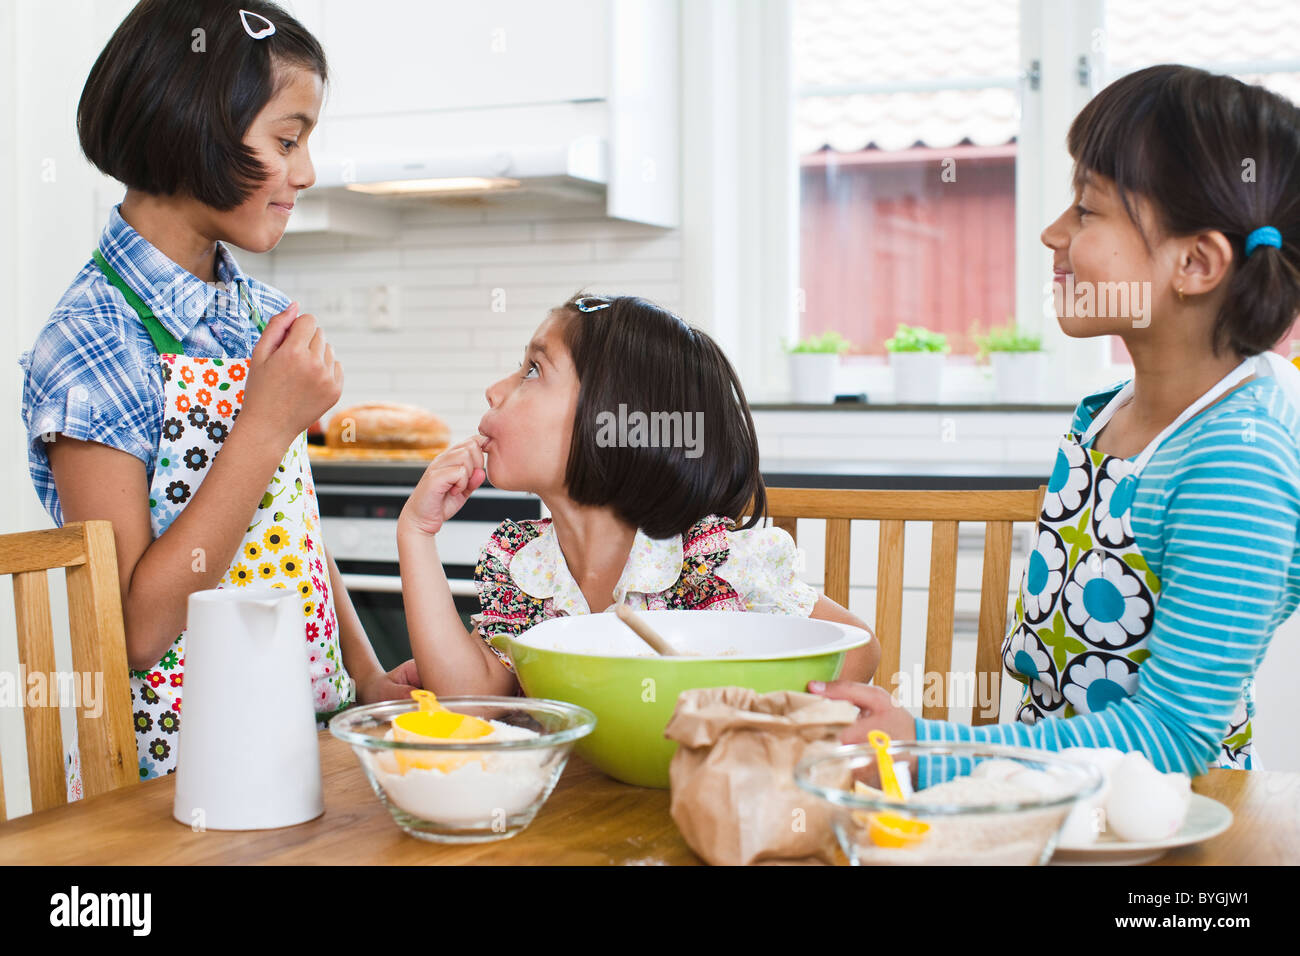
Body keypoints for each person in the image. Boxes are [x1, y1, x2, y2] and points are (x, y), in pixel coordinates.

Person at [814, 64, 1300, 779]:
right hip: (1053, 805)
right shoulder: (1108, 413)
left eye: (1087, 210)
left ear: (1195, 262)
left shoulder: (1238, 456)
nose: (1052, 233)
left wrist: (925, 753)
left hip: (1166, 828)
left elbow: (1174, 739)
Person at [19, 0, 416, 788]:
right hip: (177, 782)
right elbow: (132, 630)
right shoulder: (98, 340)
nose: (305, 171)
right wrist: (265, 425)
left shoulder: (263, 317)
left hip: (309, 745)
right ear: (194, 126)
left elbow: (292, 530)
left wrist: (364, 675)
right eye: (287, 139)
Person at [398, 293, 879, 695]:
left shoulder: (709, 565)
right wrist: (416, 533)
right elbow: (468, 700)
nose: (494, 390)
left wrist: (757, 723)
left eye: (533, 370)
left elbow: (857, 648)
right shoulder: (527, 567)